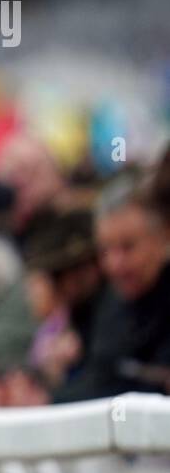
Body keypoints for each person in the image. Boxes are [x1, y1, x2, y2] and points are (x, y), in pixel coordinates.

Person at [55, 169, 170, 401]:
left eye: (128, 247)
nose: (114, 264)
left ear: (164, 237)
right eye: (105, 250)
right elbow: (96, 380)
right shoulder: (107, 301)